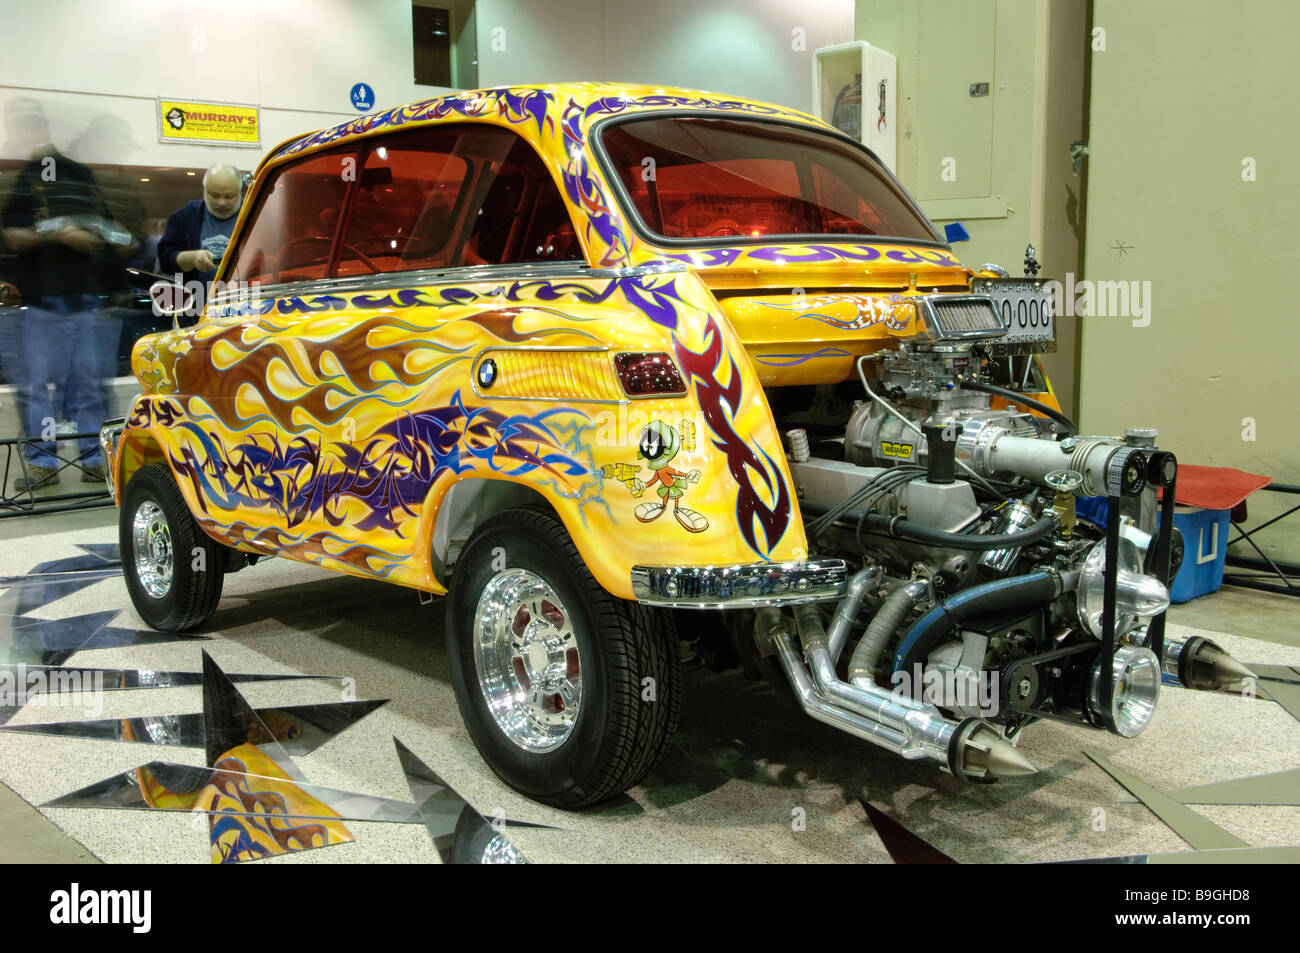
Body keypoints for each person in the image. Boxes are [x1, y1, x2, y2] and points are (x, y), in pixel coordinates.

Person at [0, 97, 130, 491]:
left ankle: (93, 458)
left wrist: (83, 237)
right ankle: (42, 460)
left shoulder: (74, 173)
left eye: (25, 127)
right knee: (40, 385)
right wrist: (35, 235)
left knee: (87, 384)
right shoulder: (21, 178)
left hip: (81, 298)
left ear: (38, 128)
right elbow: (11, 233)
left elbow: (109, 233)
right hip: (42, 300)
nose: (21, 134)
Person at [156, 162, 242, 306]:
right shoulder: (186, 215)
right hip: (196, 309)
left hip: (244, 307)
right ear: (204, 190)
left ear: (240, 192)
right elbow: (165, 258)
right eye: (214, 195)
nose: (221, 202)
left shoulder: (254, 216)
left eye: (229, 196)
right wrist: (192, 258)